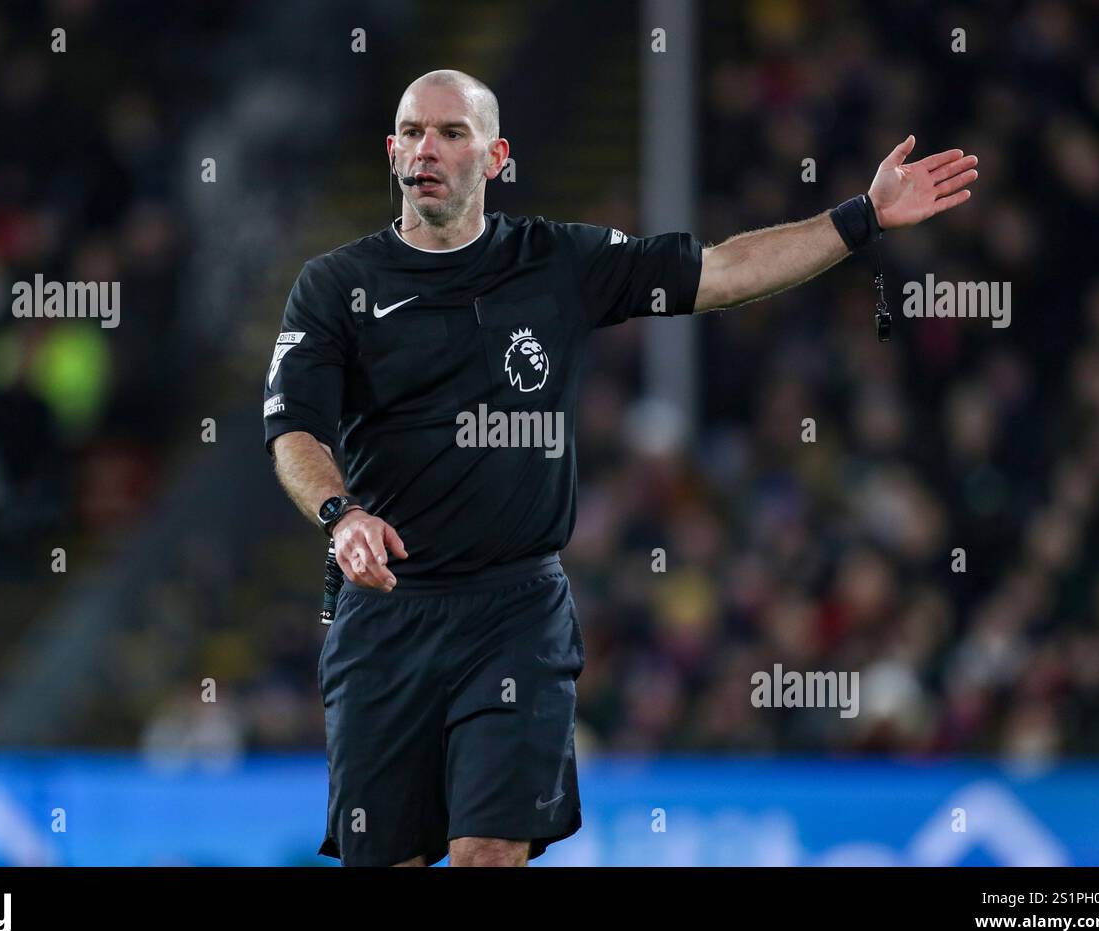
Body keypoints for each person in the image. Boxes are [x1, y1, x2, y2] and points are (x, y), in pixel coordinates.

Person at [262, 69, 977, 866]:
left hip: (513, 611)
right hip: (386, 613)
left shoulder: (558, 261)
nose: (426, 148)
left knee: (488, 854)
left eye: (451, 133)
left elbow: (726, 270)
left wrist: (864, 217)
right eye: (412, 132)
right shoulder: (335, 286)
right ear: (392, 150)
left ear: (496, 156)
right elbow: (294, 430)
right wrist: (341, 515)